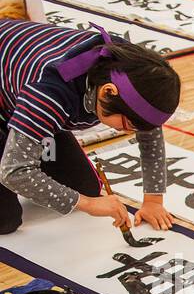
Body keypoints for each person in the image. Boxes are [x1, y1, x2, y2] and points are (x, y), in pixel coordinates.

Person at [0, 21, 180, 236]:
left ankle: (23, 138)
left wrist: (153, 200)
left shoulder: (131, 70)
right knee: (6, 220)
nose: (133, 132)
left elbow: (150, 137)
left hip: (22, 96)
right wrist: (88, 205)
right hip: (17, 100)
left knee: (84, 188)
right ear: (107, 92)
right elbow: (14, 172)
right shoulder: (49, 93)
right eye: (128, 126)